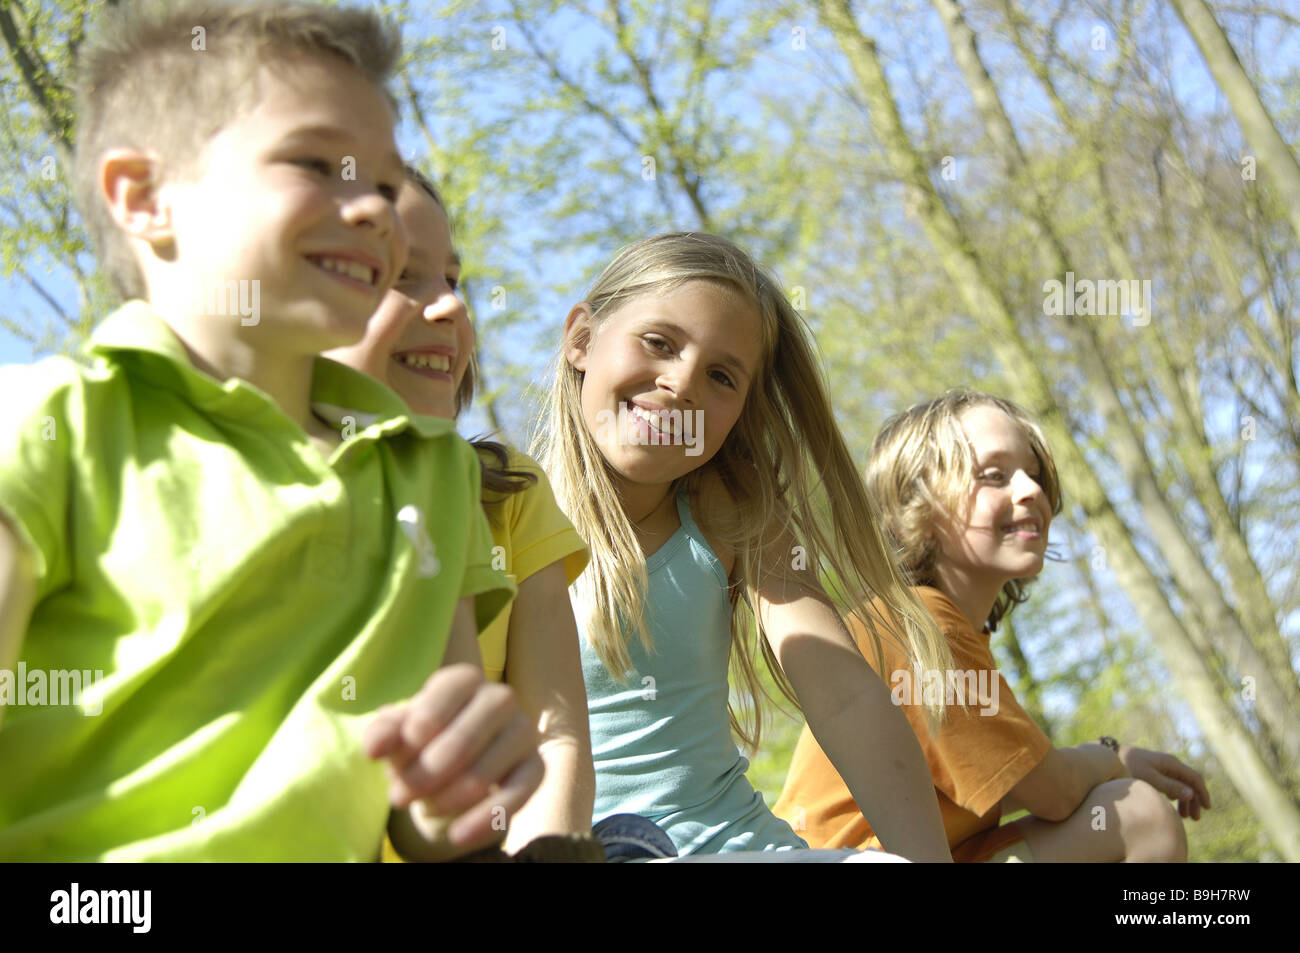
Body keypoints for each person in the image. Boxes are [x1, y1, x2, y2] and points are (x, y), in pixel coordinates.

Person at [0, 0, 539, 862]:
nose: (373, 212)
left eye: (385, 186)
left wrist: (458, 786)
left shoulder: (429, 471)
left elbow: (423, 821)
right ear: (143, 198)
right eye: (318, 164)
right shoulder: (47, 424)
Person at [536, 231, 955, 861]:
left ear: (738, 415)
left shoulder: (729, 514)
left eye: (722, 375)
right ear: (581, 339)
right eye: (658, 342)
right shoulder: (500, 514)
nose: (681, 384)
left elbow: (844, 697)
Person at [774, 389, 1210, 862]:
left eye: (1035, 475)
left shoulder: (939, 625)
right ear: (917, 507)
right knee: (1139, 816)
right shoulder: (919, 627)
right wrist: (1114, 756)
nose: (1031, 491)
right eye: (995, 476)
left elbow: (1018, 781)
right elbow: (1055, 792)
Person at [323, 168, 598, 858]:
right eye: (401, 277)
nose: (449, 308)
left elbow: (552, 733)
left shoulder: (499, 493)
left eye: (451, 279)